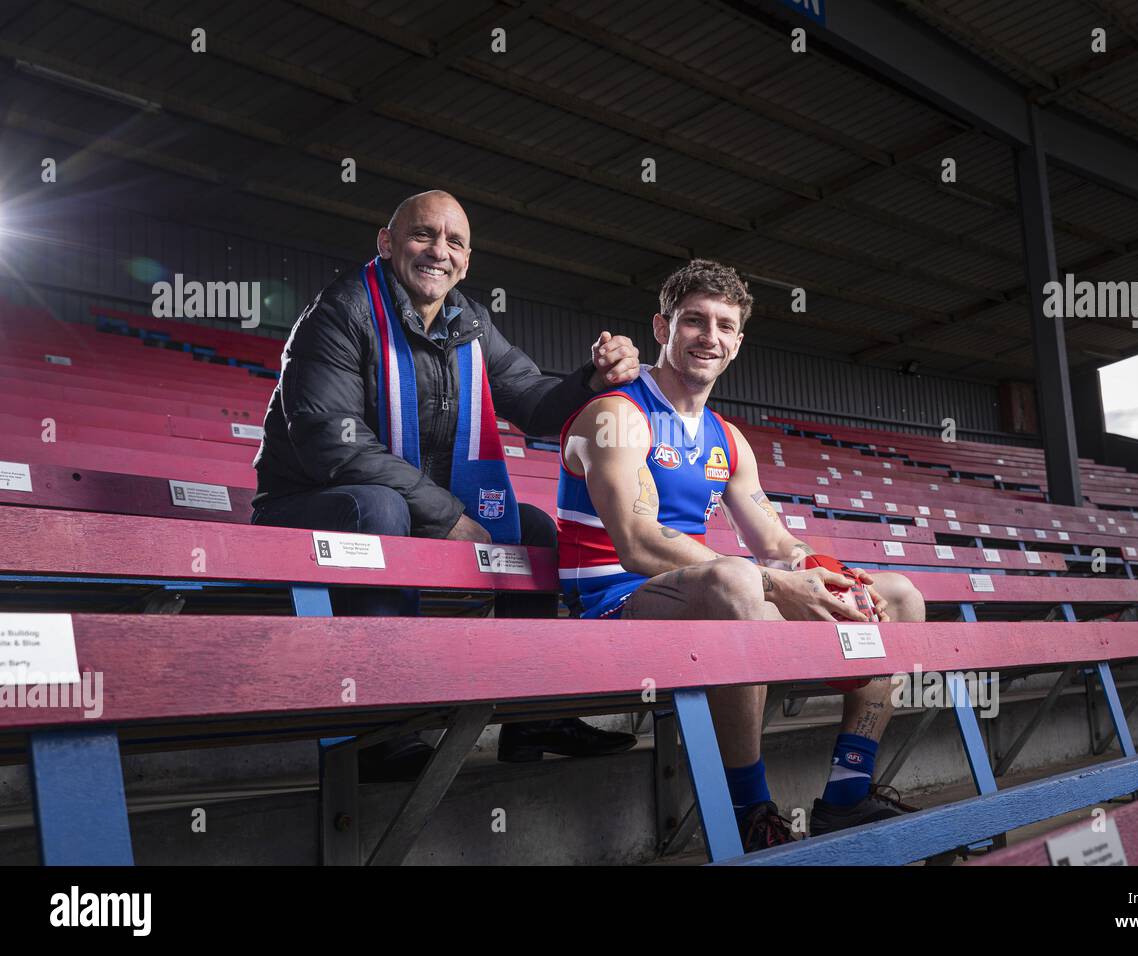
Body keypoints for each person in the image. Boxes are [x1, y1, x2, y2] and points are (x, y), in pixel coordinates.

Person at [252, 189, 638, 777]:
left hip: (412, 505)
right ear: (386, 243)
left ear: (467, 259)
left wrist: (591, 377)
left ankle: (528, 718)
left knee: (530, 529)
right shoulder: (343, 310)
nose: (438, 251)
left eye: (454, 241)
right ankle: (377, 728)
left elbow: (533, 403)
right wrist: (445, 515)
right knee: (383, 511)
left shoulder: (470, 323)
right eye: (422, 235)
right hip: (304, 506)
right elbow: (332, 439)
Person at [557, 259, 926, 851]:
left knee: (900, 595)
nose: (711, 337)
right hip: (610, 606)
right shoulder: (617, 416)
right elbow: (637, 541)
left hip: (710, 596)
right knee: (738, 581)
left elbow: (777, 543)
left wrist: (829, 579)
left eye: (725, 326)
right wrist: (778, 585)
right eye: (694, 321)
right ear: (662, 327)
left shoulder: (727, 439)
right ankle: (750, 810)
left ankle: (847, 795)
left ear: (738, 342)